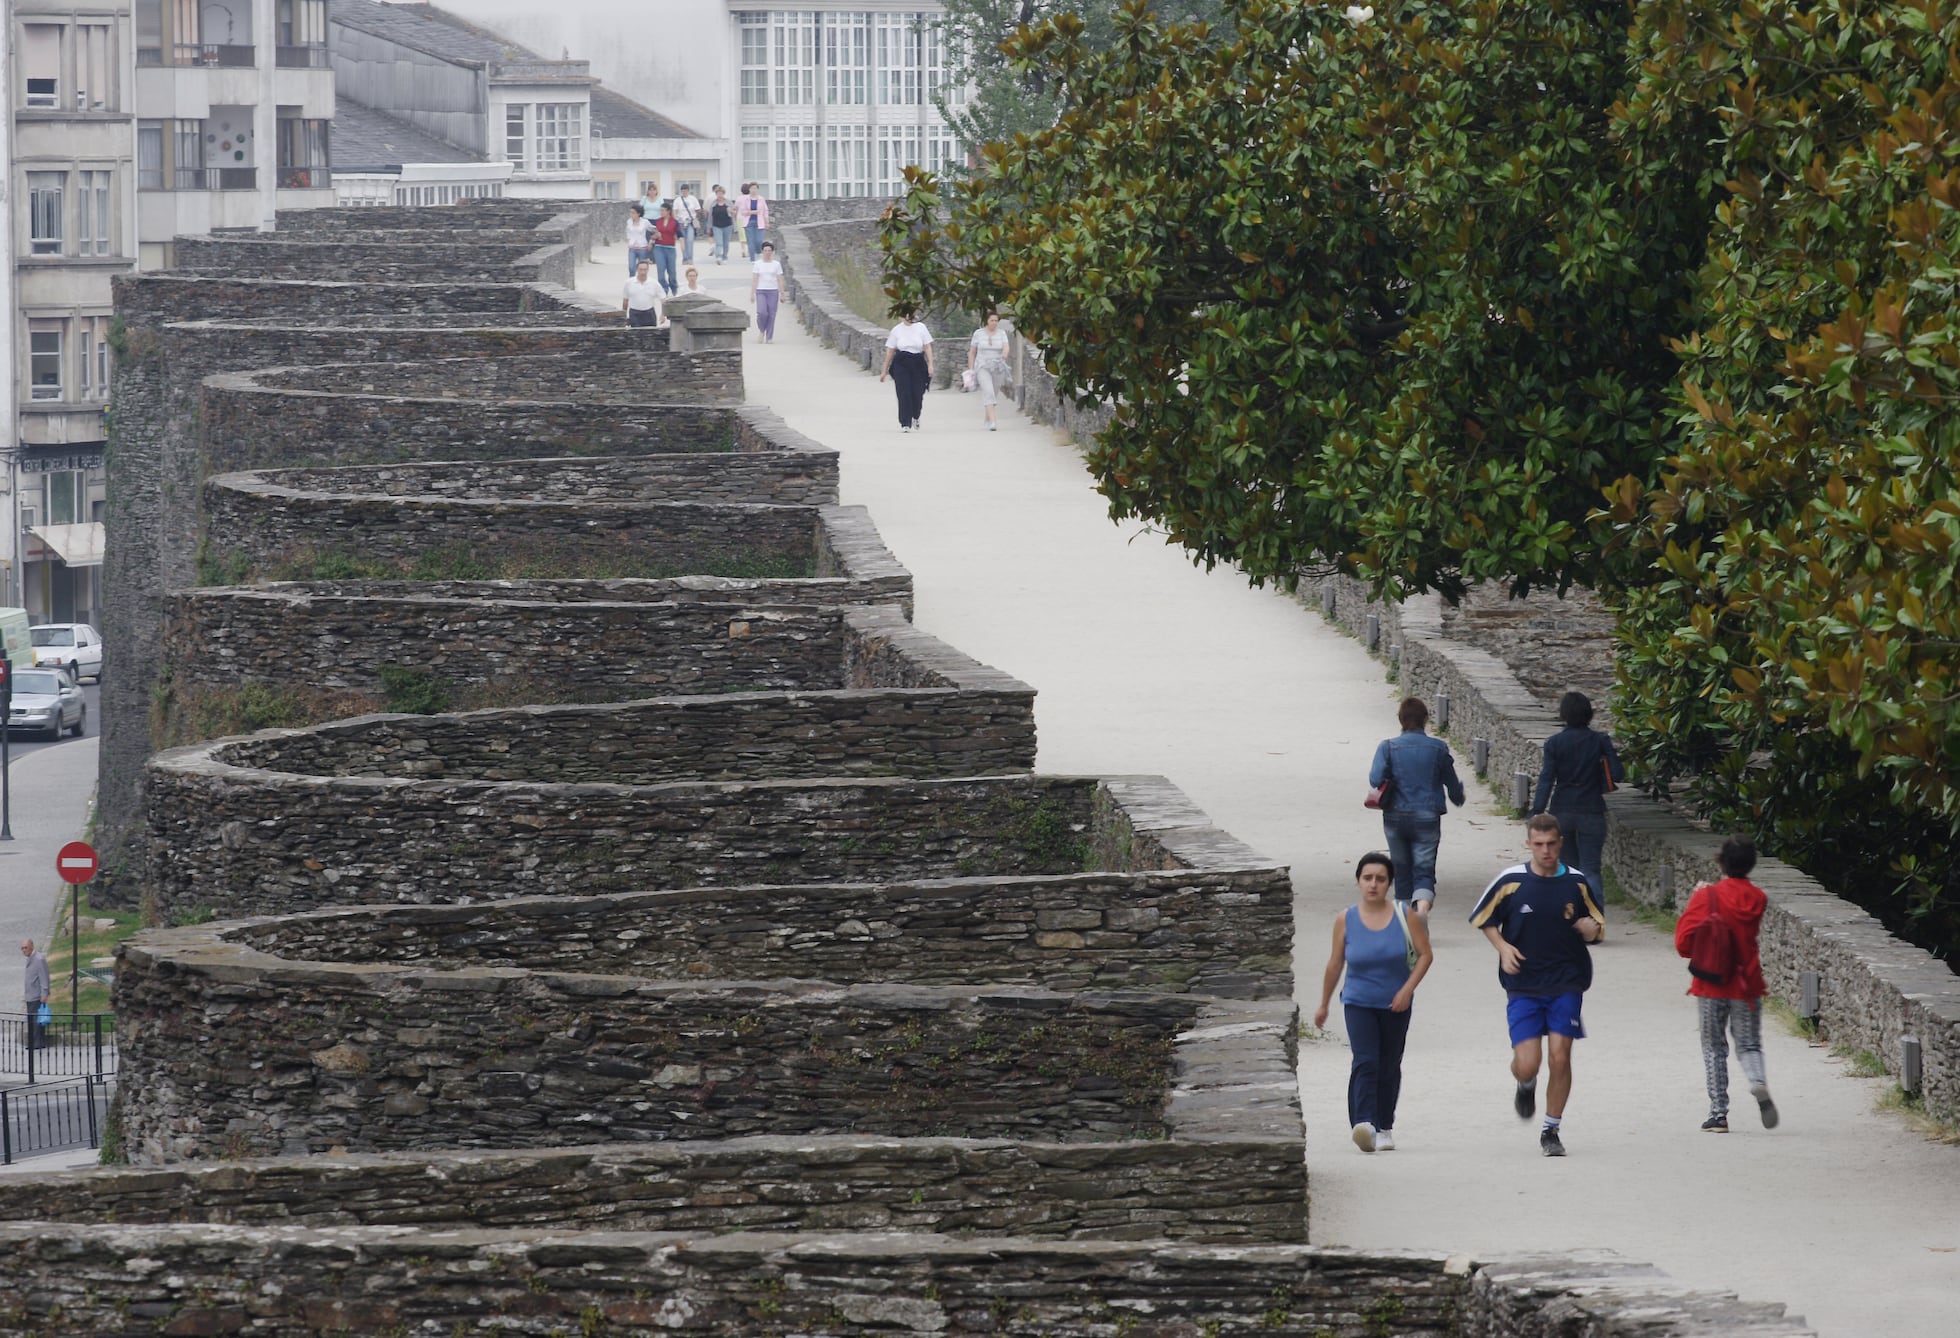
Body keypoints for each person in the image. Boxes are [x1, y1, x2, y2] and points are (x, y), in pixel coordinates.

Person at [1468, 814, 1606, 1156]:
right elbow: (1483, 918)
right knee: (1529, 1062)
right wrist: (1502, 948)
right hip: (1524, 982)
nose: (1546, 851)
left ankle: (1551, 1131)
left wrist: (1592, 930)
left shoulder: (1576, 882)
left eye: (1551, 844)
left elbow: (1598, 923)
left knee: (1560, 1057)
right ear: (1528, 844)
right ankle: (1525, 1082)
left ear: (1560, 843)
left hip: (1566, 980)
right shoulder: (1511, 880)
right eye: (1538, 844)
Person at [1313, 852, 1434, 1153]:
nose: (1373, 884)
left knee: (1389, 1065)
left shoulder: (1405, 915)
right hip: (1358, 1002)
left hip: (1396, 1003)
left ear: (1389, 884)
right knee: (1366, 1061)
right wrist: (1324, 1003)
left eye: (1380, 879)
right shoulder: (1346, 919)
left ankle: (1385, 1126)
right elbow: (1335, 964)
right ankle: (1364, 1124)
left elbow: (1425, 954)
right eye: (1367, 878)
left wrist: (1407, 990)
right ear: (1358, 881)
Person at [1674, 835, 1779, 1133]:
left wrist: (1698, 896)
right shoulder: (1758, 898)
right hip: (1746, 985)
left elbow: (1683, 942)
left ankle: (1718, 1113)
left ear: (1721, 861)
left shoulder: (1708, 897)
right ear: (1751, 864)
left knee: (1713, 1047)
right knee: (1749, 1044)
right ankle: (1757, 1081)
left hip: (1711, 984)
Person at [1367, 697, 1466, 917]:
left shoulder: (1388, 747)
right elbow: (1451, 783)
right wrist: (1458, 797)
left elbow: (1375, 779)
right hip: (1427, 816)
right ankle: (1420, 908)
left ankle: (1404, 920)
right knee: (1424, 869)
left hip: (1395, 815)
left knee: (1401, 871)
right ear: (1425, 719)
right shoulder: (1438, 748)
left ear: (1401, 719)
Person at [1531, 691, 1625, 889]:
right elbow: (1618, 774)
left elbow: (1547, 778)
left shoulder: (1554, 743)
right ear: (1588, 714)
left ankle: (1569, 915)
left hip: (1562, 809)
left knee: (1566, 868)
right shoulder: (1600, 740)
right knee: (1590, 869)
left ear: (1564, 715)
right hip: (1592, 809)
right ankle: (1594, 916)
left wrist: (1537, 810)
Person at [879, 310, 935, 431]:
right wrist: (884, 371)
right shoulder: (896, 330)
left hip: (918, 361)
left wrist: (930, 364)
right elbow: (890, 351)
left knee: (917, 392)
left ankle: (916, 415)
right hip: (902, 362)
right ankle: (905, 422)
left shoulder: (921, 327)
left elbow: (927, 347)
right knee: (904, 392)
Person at [967, 310, 1012, 431]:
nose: (994, 323)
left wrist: (1004, 354)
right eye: (991, 320)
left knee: (994, 393)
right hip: (982, 366)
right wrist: (971, 369)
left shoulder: (1001, 333)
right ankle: (993, 421)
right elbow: (972, 352)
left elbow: (1006, 346)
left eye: (996, 321)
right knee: (989, 392)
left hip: (997, 366)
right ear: (986, 321)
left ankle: (987, 419)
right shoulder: (978, 333)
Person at [749, 241, 784, 342]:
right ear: (762, 251)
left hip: (773, 291)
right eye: (765, 250)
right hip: (761, 291)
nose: (767, 252)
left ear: (772, 252)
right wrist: (752, 293)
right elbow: (755, 279)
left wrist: (782, 293)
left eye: (769, 251)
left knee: (771, 314)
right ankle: (762, 330)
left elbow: (780, 279)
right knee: (762, 312)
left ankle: (769, 337)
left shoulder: (776, 264)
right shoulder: (757, 264)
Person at [21, 939, 50, 1051]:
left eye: (25, 947)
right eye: (22, 948)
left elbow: (44, 977)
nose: (24, 950)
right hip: (30, 995)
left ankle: (36, 1042)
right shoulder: (30, 958)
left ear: (31, 946)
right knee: (35, 1019)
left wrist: (44, 993)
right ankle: (39, 1041)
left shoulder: (39, 959)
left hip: (36, 995)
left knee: (35, 1020)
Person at [650, 204, 682, 297]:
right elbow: (653, 234)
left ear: (668, 211)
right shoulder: (658, 222)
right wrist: (653, 238)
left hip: (670, 248)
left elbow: (680, 234)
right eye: (660, 210)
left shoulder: (674, 222)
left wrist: (683, 244)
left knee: (671, 271)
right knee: (660, 270)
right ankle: (664, 289)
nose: (661, 212)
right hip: (659, 247)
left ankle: (674, 287)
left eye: (663, 210)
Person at [621, 258, 662, 328]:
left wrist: (663, 314)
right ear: (637, 270)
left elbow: (663, 299)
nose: (643, 272)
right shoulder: (629, 283)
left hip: (649, 313)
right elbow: (625, 300)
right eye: (641, 269)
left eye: (645, 270)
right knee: (636, 335)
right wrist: (623, 316)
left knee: (651, 335)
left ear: (648, 270)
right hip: (634, 313)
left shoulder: (654, 283)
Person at [739, 183, 769, 259]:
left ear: (757, 189)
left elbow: (765, 211)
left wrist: (767, 222)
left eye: (755, 188)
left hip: (760, 222)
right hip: (749, 222)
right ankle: (752, 258)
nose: (753, 190)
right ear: (749, 189)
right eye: (752, 188)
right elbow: (742, 211)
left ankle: (758, 252)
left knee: (759, 241)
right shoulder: (746, 199)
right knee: (750, 241)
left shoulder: (761, 199)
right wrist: (751, 212)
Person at [674, 184, 702, 263]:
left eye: (685, 191)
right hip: (681, 222)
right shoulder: (678, 200)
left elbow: (698, 209)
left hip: (690, 222)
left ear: (688, 191)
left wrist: (695, 216)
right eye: (683, 191)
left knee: (690, 240)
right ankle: (685, 258)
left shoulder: (693, 199)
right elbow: (675, 210)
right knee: (683, 241)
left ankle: (690, 258)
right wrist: (676, 220)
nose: (684, 192)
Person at [709, 186, 735, 265]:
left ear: (724, 194)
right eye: (718, 194)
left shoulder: (728, 202)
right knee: (719, 242)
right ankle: (718, 256)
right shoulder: (713, 203)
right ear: (716, 194)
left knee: (726, 243)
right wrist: (709, 226)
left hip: (727, 225)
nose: (720, 195)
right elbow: (710, 216)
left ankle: (725, 256)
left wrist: (731, 211)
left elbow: (734, 213)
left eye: (721, 194)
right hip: (716, 225)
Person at [625, 203, 652, 275]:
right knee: (631, 267)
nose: (631, 214)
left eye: (633, 213)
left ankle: (642, 281)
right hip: (632, 247)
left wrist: (651, 242)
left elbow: (654, 231)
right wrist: (629, 240)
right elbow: (628, 232)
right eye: (630, 212)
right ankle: (632, 282)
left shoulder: (645, 222)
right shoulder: (629, 221)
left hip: (642, 247)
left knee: (642, 267)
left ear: (638, 213)